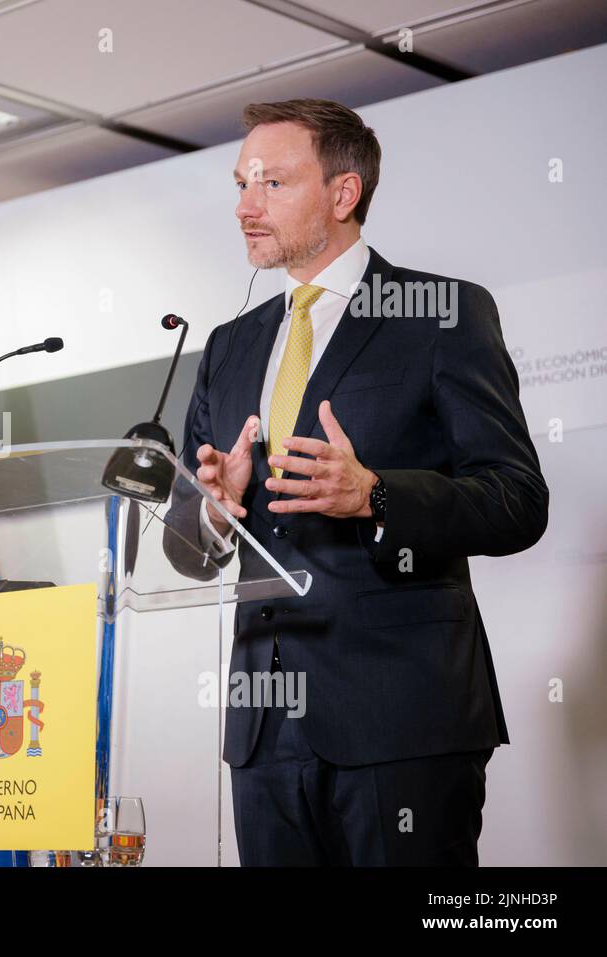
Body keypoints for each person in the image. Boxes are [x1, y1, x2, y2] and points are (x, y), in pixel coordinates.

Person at [162, 99, 548, 866]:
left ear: (343, 194)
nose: (244, 206)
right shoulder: (229, 346)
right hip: (265, 731)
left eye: (272, 183)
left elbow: (517, 500)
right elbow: (185, 540)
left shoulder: (443, 315)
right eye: (241, 183)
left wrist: (376, 495)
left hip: (401, 718)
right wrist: (212, 512)